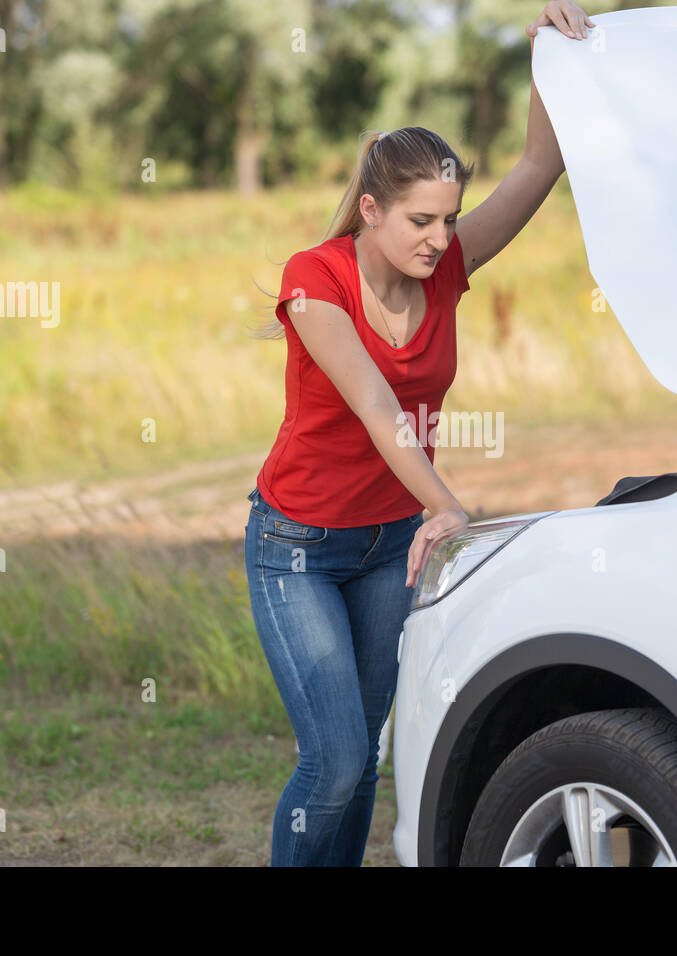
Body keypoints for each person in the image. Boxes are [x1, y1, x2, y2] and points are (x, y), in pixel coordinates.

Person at [244, 0, 595, 866]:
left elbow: (540, 166)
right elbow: (376, 408)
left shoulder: (445, 268)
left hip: (390, 545)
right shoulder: (312, 280)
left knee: (365, 761)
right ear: (369, 209)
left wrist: (545, 54)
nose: (442, 240)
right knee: (331, 761)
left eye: (449, 219)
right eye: (420, 222)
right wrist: (454, 507)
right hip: (299, 546)